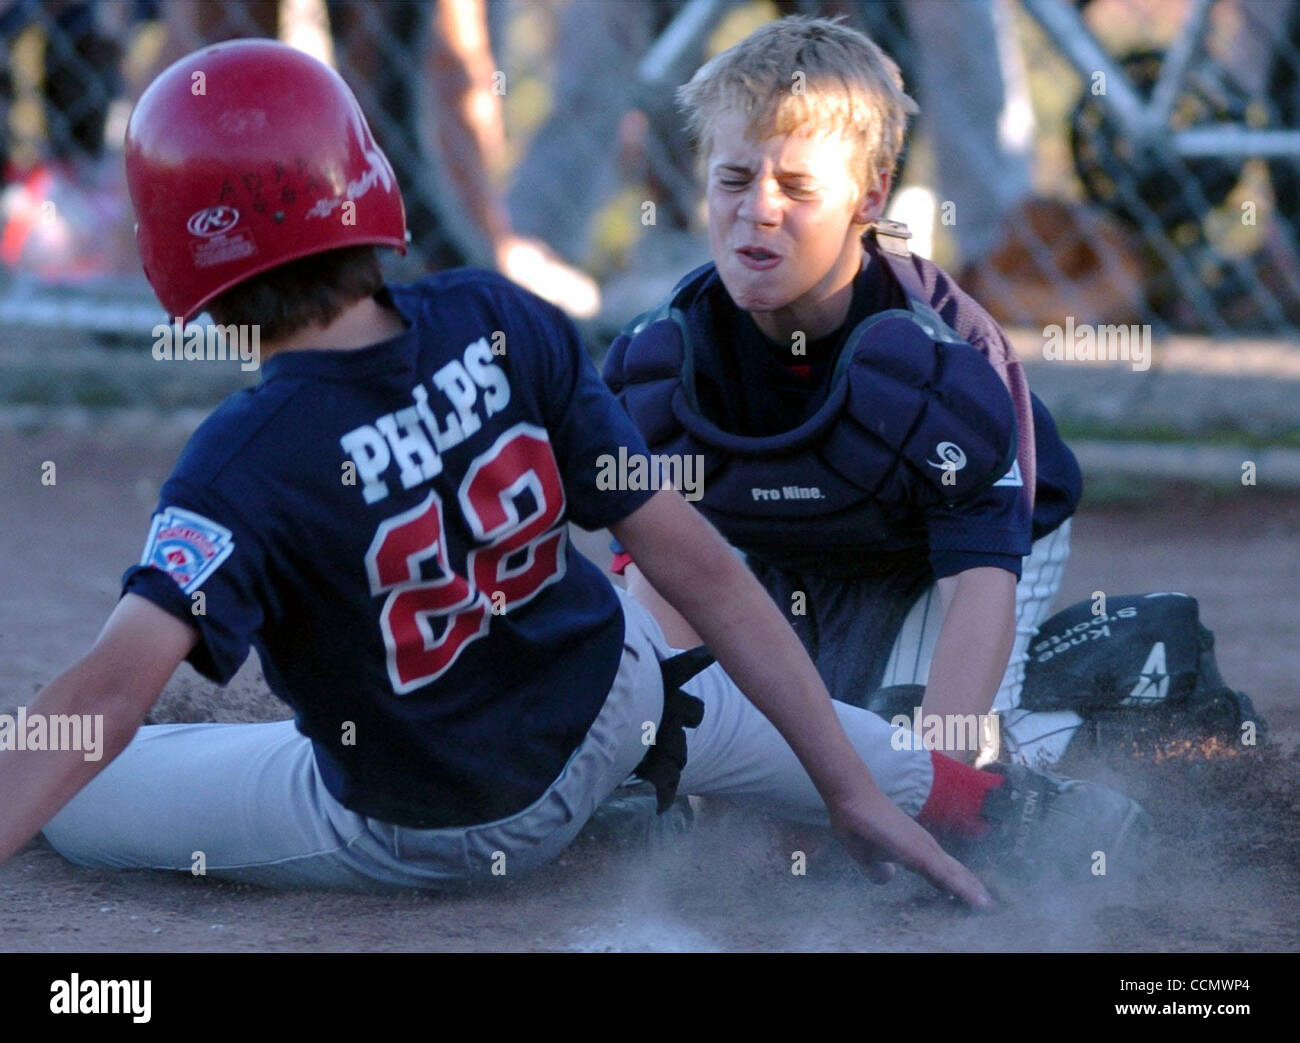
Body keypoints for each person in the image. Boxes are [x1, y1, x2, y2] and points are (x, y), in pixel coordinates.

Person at [0, 40, 1148, 901]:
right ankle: (1038, 797)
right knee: (824, 736)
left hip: (441, 824)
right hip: (622, 697)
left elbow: (109, 692)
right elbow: (696, 566)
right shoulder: (502, 315)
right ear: (366, 180)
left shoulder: (238, 463)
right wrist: (849, 787)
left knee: (86, 786)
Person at [602, 15, 1086, 767]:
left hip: (947, 558)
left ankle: (1106, 712)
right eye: (733, 178)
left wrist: (940, 782)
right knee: (703, 756)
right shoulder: (664, 360)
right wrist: (668, 748)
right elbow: (662, 571)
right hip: (789, 542)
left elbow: (978, 578)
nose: (757, 209)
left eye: (798, 187)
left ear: (869, 197)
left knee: (901, 753)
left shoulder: (942, 360)